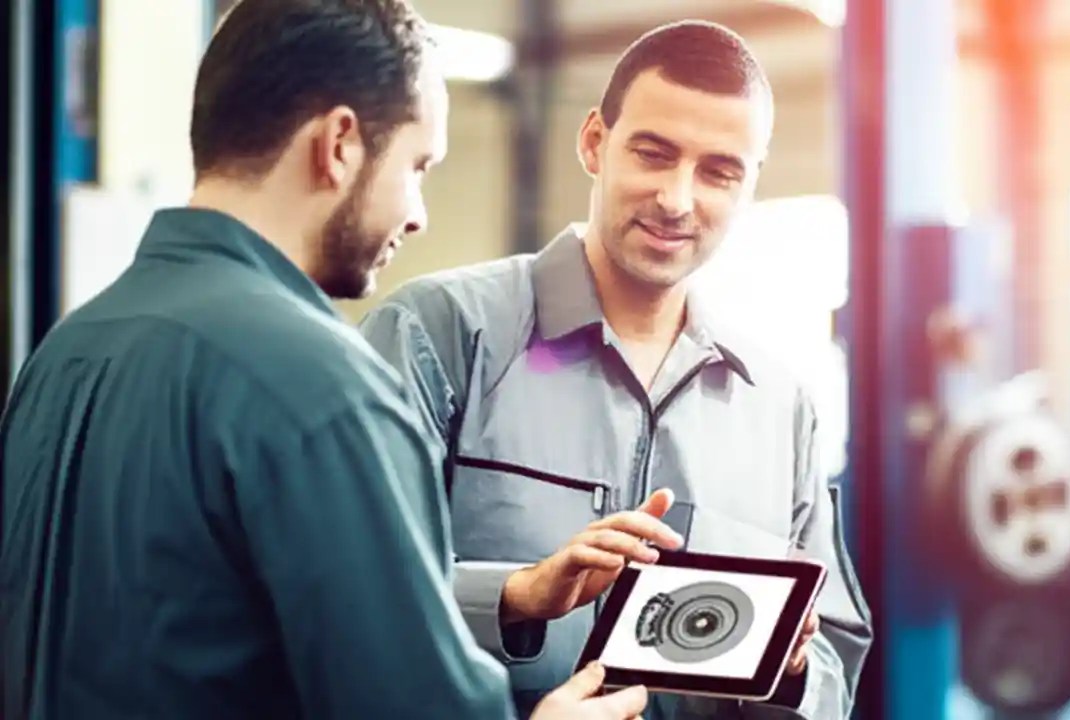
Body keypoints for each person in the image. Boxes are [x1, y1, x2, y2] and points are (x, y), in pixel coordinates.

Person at [0, 2, 646, 719]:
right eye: (417, 165)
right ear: (338, 143)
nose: (418, 212)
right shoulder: (322, 387)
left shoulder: (66, 353)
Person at [360, 19, 873, 719]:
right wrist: (515, 596)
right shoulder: (442, 332)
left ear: (751, 183)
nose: (677, 199)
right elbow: (349, 597)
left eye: (718, 171)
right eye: (654, 154)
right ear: (595, 143)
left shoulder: (780, 409)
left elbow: (836, 663)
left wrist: (790, 673)